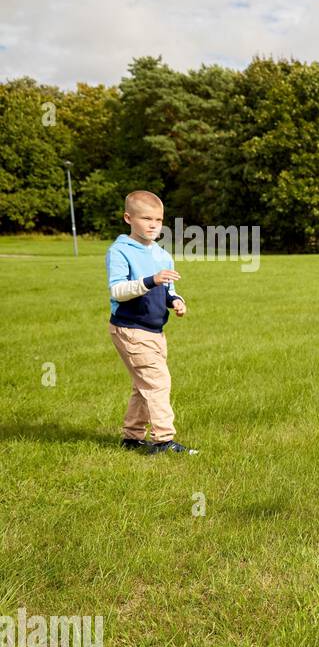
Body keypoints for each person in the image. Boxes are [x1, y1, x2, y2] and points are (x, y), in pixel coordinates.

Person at [106, 190, 198, 455]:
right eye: (146, 218)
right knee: (157, 382)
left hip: (155, 330)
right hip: (130, 328)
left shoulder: (161, 254)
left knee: (143, 385)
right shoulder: (120, 251)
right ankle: (163, 441)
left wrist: (176, 301)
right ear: (128, 218)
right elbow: (118, 290)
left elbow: (167, 288)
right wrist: (150, 281)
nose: (153, 225)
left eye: (158, 220)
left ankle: (132, 438)